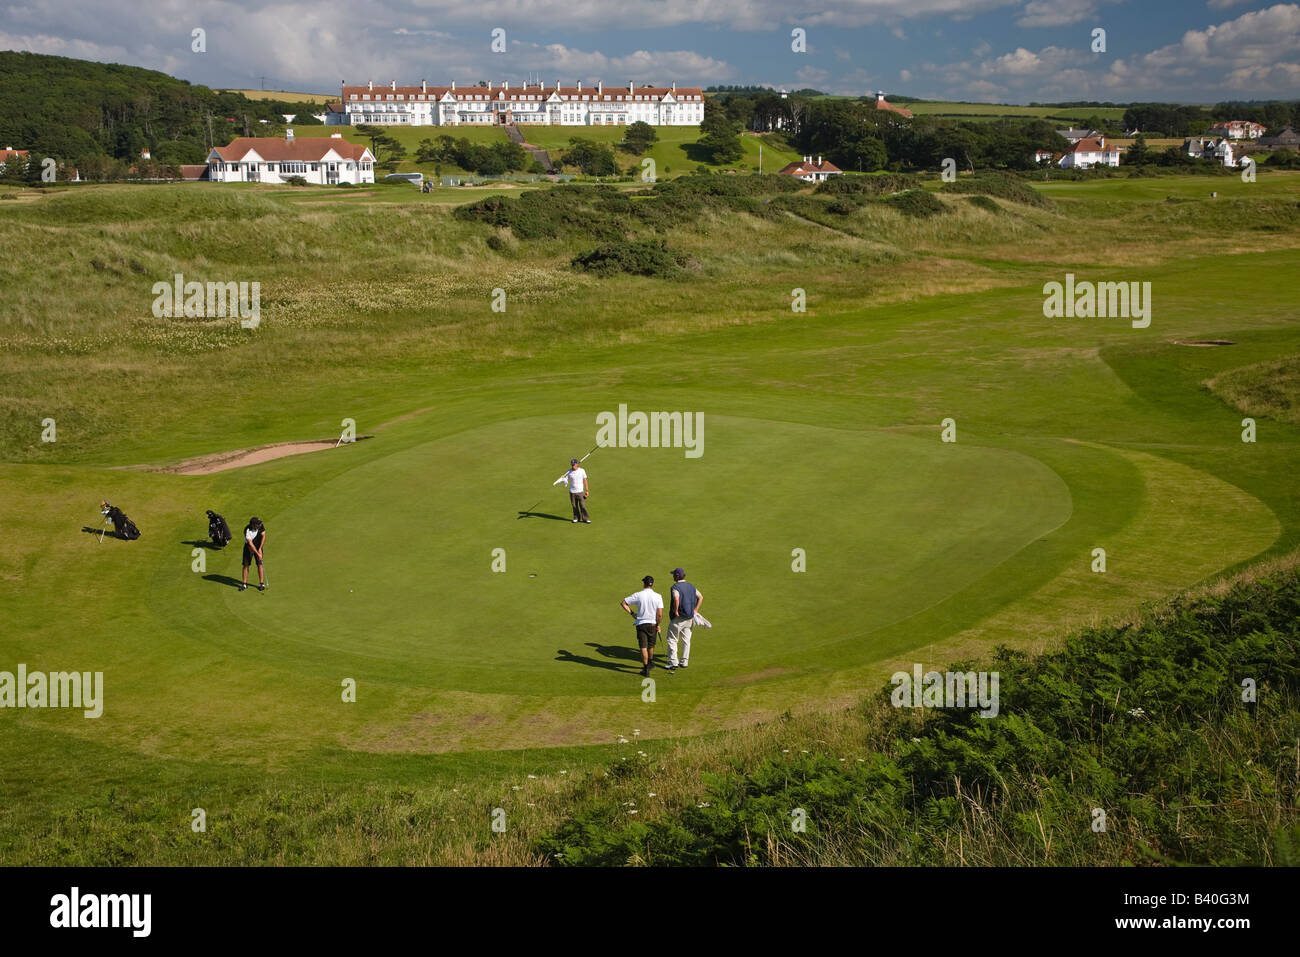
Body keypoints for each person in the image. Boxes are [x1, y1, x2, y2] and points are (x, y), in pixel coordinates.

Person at [620, 575, 663, 677]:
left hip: (641, 624)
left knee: (643, 646)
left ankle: (645, 668)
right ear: (652, 584)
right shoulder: (658, 596)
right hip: (652, 624)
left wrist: (632, 613)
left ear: (644, 583)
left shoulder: (639, 595)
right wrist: (658, 624)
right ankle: (651, 662)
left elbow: (623, 603)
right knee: (651, 645)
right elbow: (660, 614)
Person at [665, 567, 702, 671]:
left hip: (678, 619)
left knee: (672, 639)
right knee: (686, 640)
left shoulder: (675, 587)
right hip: (689, 618)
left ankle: (674, 662)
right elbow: (700, 597)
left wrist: (676, 610)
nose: (672, 576)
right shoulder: (691, 586)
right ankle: (684, 661)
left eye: (673, 575)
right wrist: (695, 610)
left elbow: (676, 598)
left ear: (677, 576)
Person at [554, 458, 590, 524]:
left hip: (580, 492)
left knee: (582, 506)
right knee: (574, 506)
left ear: (577, 464)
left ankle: (585, 519)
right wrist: (562, 477)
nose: (573, 466)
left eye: (574, 465)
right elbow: (565, 479)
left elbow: (585, 480)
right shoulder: (569, 472)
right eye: (572, 465)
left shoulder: (582, 471)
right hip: (572, 492)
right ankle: (576, 518)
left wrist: (587, 490)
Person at [240, 517, 267, 592]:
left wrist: (260, 548)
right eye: (257, 524)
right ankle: (244, 584)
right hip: (249, 547)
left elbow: (263, 535)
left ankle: (261, 583)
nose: (259, 525)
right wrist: (258, 554)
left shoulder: (260, 525)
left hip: (258, 546)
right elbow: (250, 544)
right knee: (246, 565)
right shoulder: (247, 530)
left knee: (260, 564)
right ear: (253, 525)